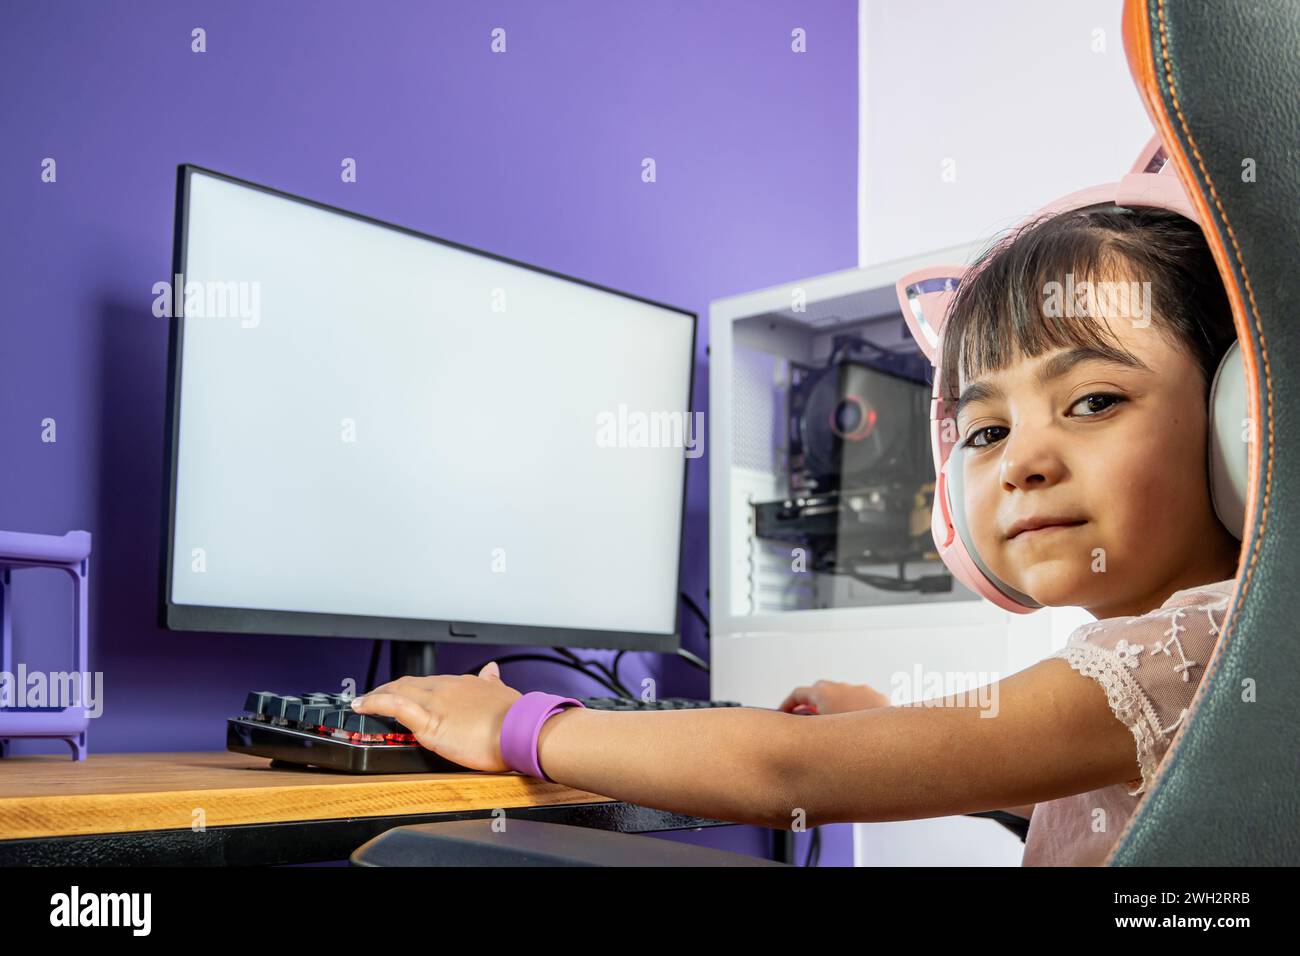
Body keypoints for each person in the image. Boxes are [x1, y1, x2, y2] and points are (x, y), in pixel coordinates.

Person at [351, 203, 1242, 866]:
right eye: (985, 431)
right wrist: (896, 731)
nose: (1020, 463)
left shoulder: (1203, 650)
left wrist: (520, 723)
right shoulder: (1198, 650)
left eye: (1092, 401)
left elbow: (791, 775)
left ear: (1243, 415)